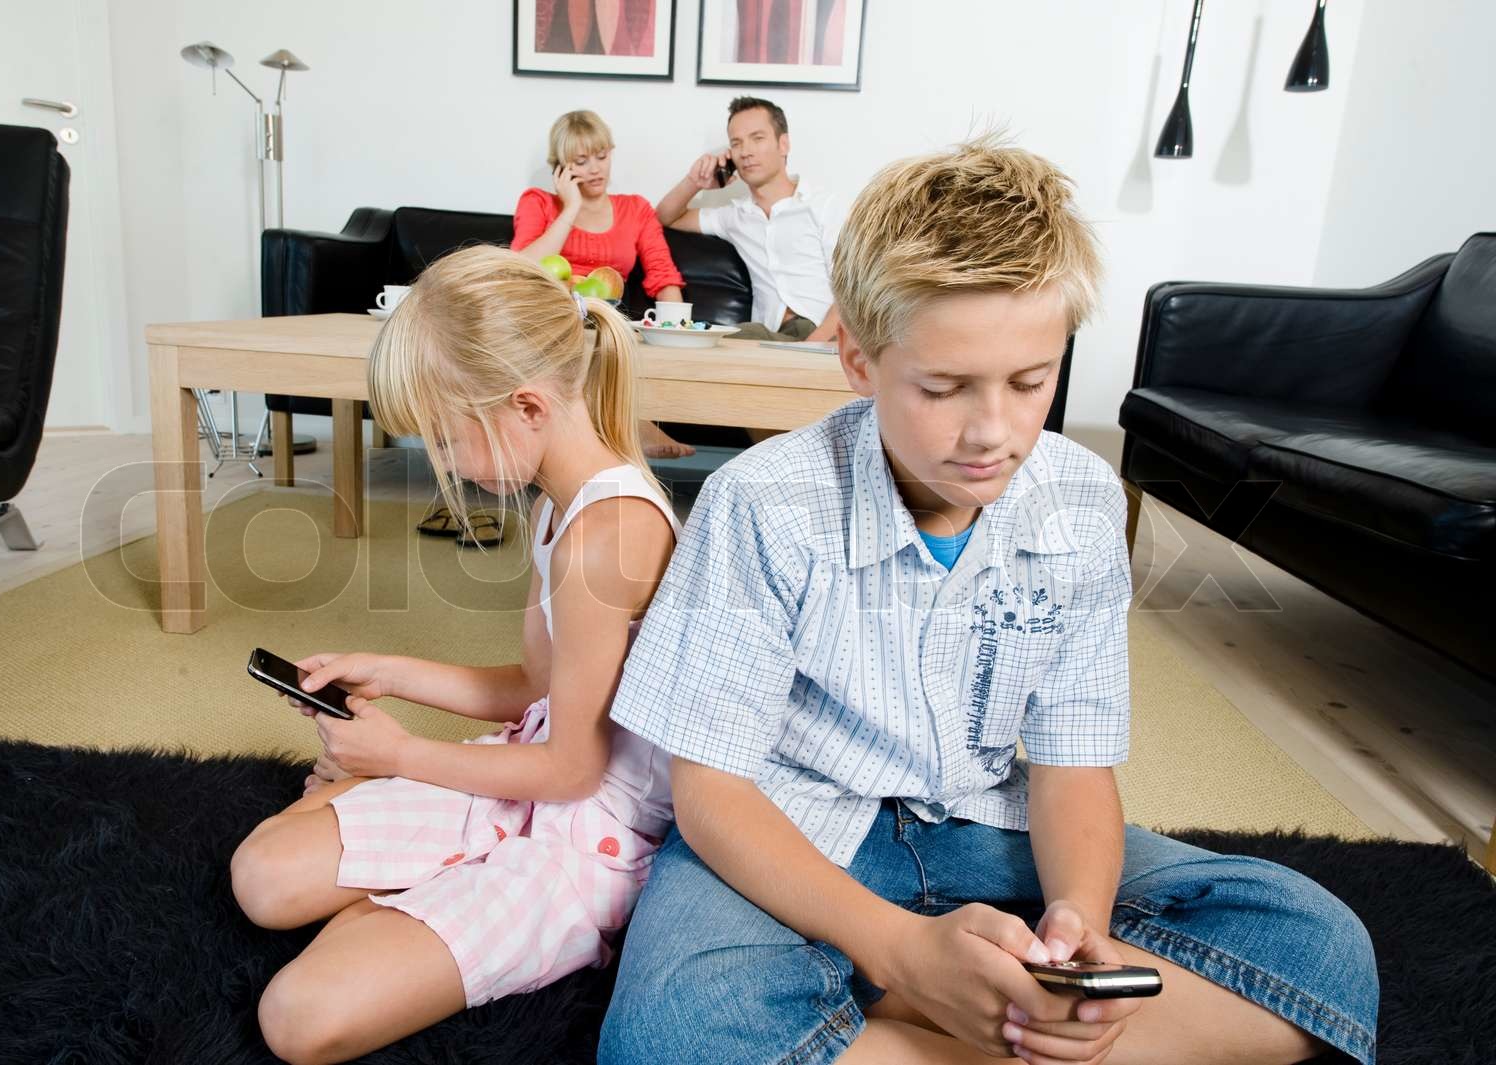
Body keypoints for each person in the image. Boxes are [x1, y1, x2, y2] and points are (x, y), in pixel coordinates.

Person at [601, 140, 1378, 1065]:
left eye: (1030, 383)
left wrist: (1076, 928)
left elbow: (1071, 764)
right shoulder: (763, 502)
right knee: (671, 1030)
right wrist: (897, 947)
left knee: (1322, 944)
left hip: (983, 822)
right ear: (857, 356)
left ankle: (908, 1022)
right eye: (942, 387)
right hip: (790, 828)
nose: (995, 432)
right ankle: (940, 1000)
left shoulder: (1084, 502)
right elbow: (713, 793)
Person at [229, 245, 679, 1065]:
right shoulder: (559, 505)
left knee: (295, 1016)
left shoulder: (610, 535)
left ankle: (421, 882)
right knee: (260, 877)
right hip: (525, 771)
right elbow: (533, 689)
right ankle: (412, 866)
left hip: (588, 838)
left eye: (446, 435)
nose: (446, 464)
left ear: (527, 407)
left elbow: (576, 772)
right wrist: (392, 671)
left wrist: (404, 753)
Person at [514, 108, 693, 460]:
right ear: (560, 168)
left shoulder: (636, 210)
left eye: (602, 155)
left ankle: (620, 428)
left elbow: (662, 274)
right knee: (577, 336)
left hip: (607, 317)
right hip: (549, 317)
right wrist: (569, 208)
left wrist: (676, 332)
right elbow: (521, 268)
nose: (595, 168)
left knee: (608, 335)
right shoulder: (538, 202)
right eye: (581, 160)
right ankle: (631, 425)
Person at [656, 96, 845, 344]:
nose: (746, 152)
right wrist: (696, 183)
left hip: (825, 335)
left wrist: (811, 348)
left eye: (757, 138)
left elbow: (851, 292)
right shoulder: (734, 216)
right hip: (768, 337)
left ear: (783, 144)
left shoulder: (823, 206)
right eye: (737, 143)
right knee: (714, 342)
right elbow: (666, 216)